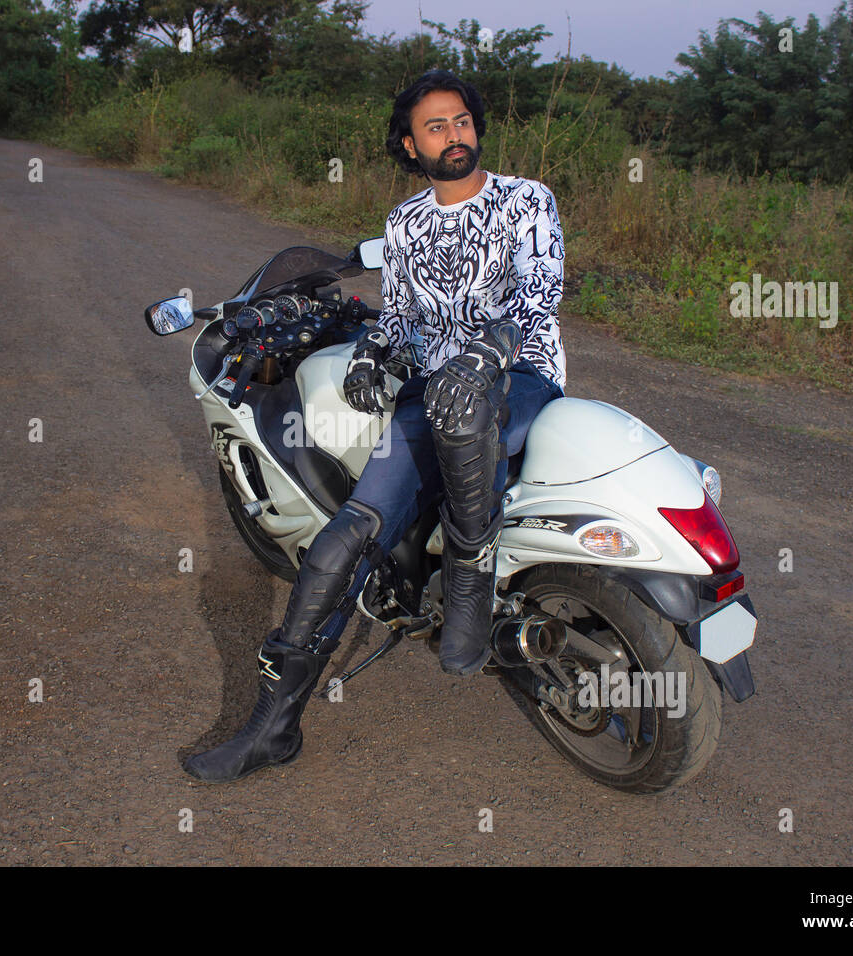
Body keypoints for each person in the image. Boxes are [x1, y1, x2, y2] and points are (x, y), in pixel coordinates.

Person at [184, 69, 566, 783]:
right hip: (435, 392)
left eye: (461, 121)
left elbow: (540, 293)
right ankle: (272, 729)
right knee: (341, 542)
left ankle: (468, 587)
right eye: (435, 127)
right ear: (408, 144)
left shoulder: (525, 200)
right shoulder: (406, 223)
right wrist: (372, 353)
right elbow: (401, 320)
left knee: (461, 404)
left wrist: (487, 353)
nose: (454, 135)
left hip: (518, 378)